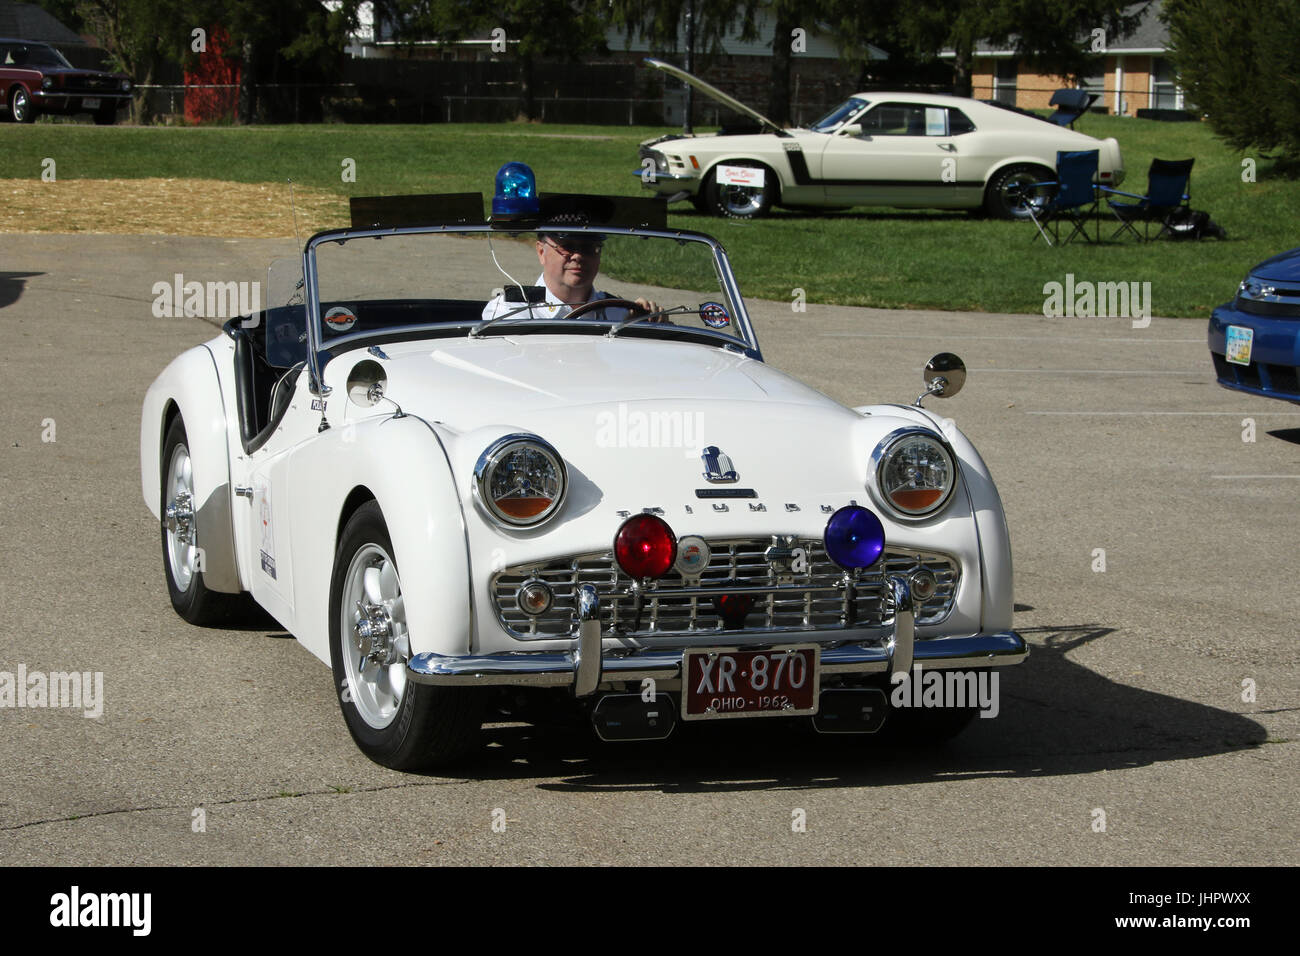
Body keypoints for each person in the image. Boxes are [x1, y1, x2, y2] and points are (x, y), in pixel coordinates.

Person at [481, 232, 660, 321]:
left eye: (589, 248)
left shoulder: (622, 315)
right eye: (567, 246)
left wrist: (649, 325)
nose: (578, 256)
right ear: (541, 251)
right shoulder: (509, 312)